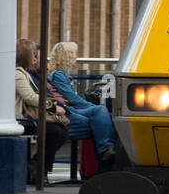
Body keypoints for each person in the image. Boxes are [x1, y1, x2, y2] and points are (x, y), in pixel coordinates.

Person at [46, 41, 117, 168]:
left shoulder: (61, 75)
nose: (76, 58)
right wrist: (91, 106)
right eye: (74, 54)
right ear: (66, 57)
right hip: (68, 110)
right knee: (100, 113)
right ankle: (105, 154)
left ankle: (105, 153)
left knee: (99, 120)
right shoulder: (58, 75)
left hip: (71, 109)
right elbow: (72, 98)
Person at [16, 37, 68, 180]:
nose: (35, 59)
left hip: (30, 115)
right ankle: (39, 168)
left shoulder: (25, 73)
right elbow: (30, 97)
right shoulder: (18, 74)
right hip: (22, 117)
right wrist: (52, 107)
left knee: (61, 132)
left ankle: (39, 167)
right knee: (53, 132)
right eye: (33, 55)